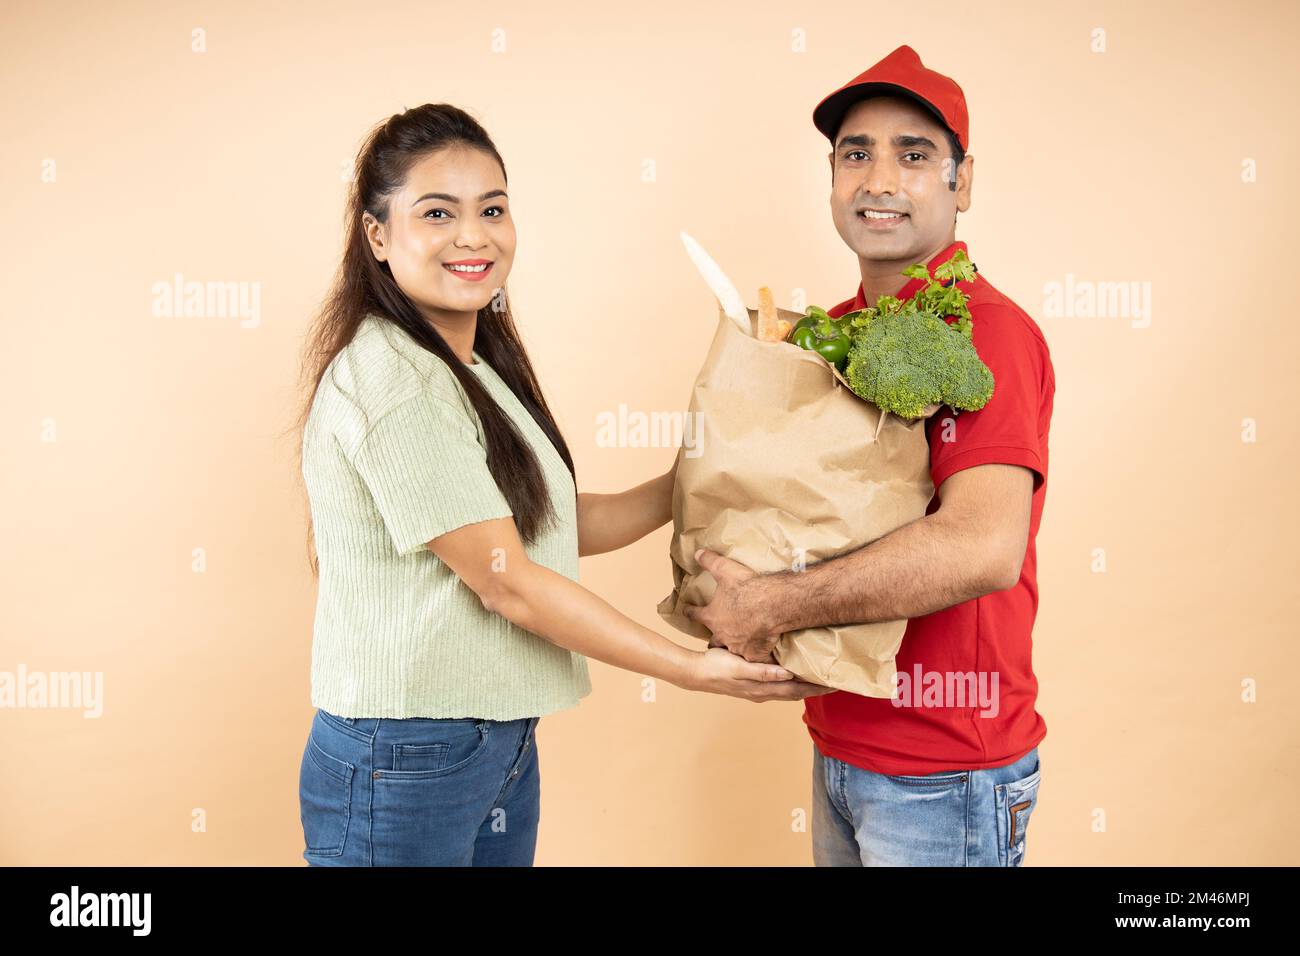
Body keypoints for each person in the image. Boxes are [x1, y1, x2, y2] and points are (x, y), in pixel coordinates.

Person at [292, 103, 830, 867]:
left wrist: (708, 476)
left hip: (487, 743)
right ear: (378, 235)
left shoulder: (471, 364)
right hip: (406, 754)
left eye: (493, 209)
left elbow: (548, 525)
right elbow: (507, 581)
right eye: (437, 212)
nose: (473, 236)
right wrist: (689, 668)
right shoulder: (393, 379)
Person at [684, 45, 1055, 866]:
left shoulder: (985, 332)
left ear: (963, 183)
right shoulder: (834, 331)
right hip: (844, 741)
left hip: (944, 769)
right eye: (856, 154)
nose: (878, 179)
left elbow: (982, 547)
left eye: (914, 155)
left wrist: (773, 607)